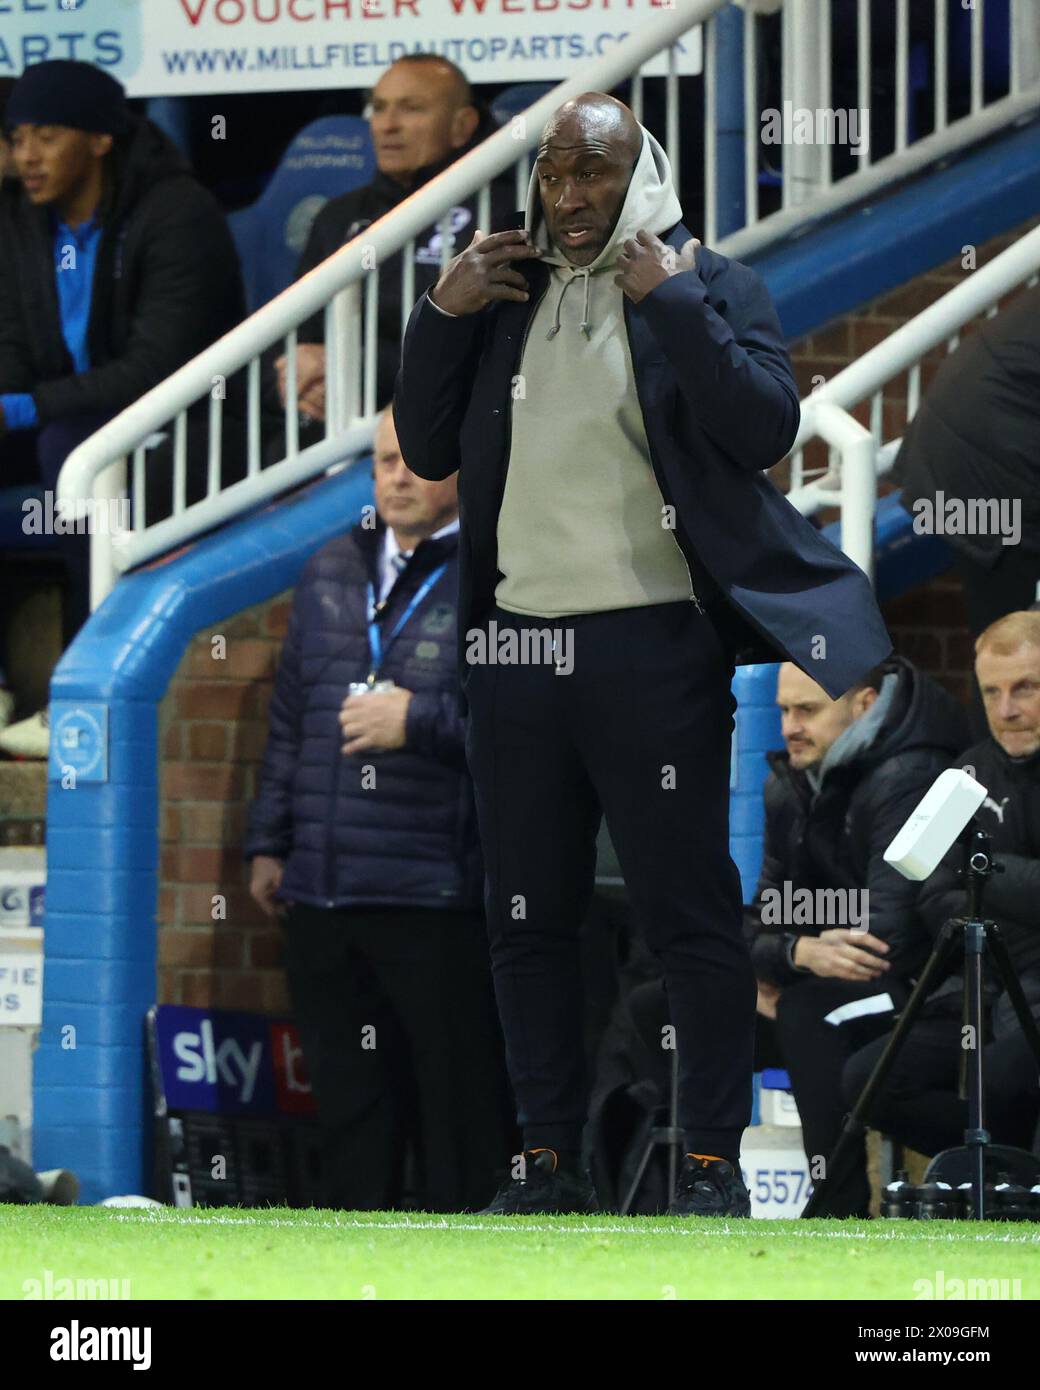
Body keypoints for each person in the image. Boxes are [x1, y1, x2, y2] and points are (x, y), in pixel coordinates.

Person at [393, 90, 892, 1217]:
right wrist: (440, 308)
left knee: (688, 916)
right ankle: (544, 1162)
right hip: (516, 649)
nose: (570, 197)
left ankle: (707, 1163)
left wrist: (668, 302)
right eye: (556, 173)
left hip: (651, 645)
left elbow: (763, 426)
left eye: (595, 174)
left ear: (642, 175)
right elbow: (425, 448)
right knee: (526, 916)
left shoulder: (711, 285)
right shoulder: (504, 299)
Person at [244, 406, 515, 1212]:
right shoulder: (331, 568)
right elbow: (291, 718)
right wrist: (270, 842)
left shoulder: (498, 577)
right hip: (324, 888)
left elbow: (528, 736)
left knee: (455, 1113)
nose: (396, 476)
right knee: (350, 1113)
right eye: (384, 461)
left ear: (463, 468)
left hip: (432, 891)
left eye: (415, 460)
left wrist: (418, 723)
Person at [0, 60, 244, 756]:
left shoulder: (175, 212)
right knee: (62, 441)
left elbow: (155, 370)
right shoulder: (22, 220)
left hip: (185, 425)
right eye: (17, 138)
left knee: (68, 450)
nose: (27, 156)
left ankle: (82, 681)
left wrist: (18, 410)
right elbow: (13, 343)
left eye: (46, 136)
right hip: (63, 417)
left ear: (101, 139)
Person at [746, 656, 969, 1217]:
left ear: (864, 705)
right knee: (674, 1006)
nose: (790, 726)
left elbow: (883, 939)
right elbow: (761, 917)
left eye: (807, 710)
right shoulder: (788, 781)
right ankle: (695, 1187)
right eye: (783, 711)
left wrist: (792, 956)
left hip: (922, 984)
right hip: (820, 974)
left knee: (807, 1011)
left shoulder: (909, 773)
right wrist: (796, 952)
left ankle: (835, 1207)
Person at [844, 611, 1040, 1159]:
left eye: (1026, 688)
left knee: (1003, 1076)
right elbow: (930, 894)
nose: (1007, 710)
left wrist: (972, 865)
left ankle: (1008, 1183)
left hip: (1021, 990)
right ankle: (997, 1169)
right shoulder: (969, 771)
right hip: (980, 987)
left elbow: (955, 871)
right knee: (871, 1081)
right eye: (992, 692)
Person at [272, 54, 513, 443]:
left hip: (449, 428)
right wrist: (301, 378)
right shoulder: (339, 216)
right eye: (379, 108)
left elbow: (481, 351)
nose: (388, 125)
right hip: (328, 420)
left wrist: (350, 367)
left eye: (411, 109)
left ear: (462, 125)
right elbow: (300, 336)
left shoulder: (501, 213)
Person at [894, 283, 1040, 738]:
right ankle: (998, 783)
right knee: (1009, 649)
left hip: (957, 464)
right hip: (985, 470)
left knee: (1004, 639)